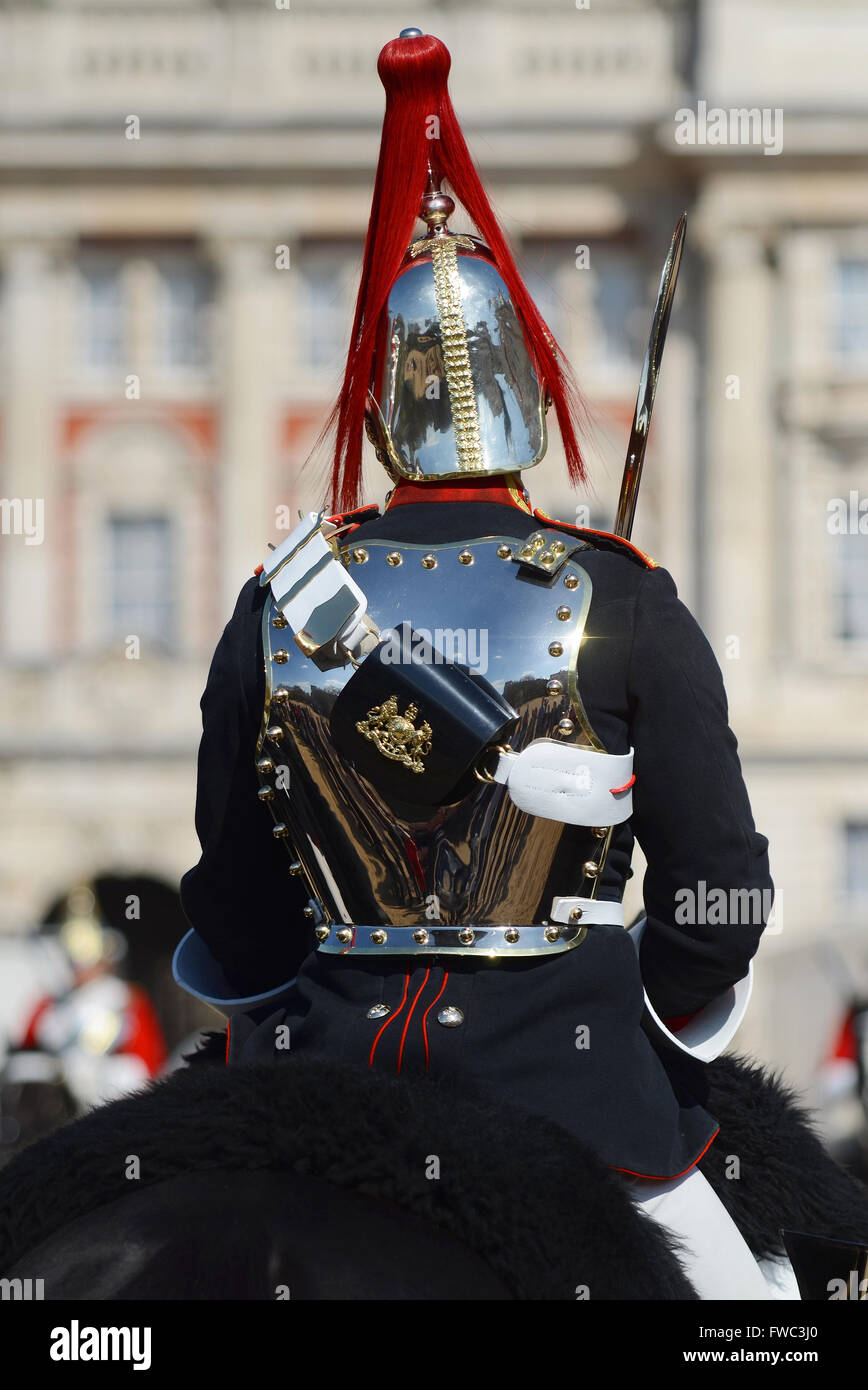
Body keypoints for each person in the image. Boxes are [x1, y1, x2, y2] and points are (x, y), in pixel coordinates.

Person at [174, 29, 781, 1299]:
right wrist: (648, 1017)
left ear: (382, 407)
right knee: (767, 1312)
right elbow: (719, 880)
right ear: (523, 388)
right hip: (577, 1092)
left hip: (312, 1073)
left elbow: (233, 899)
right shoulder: (614, 589)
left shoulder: (280, 601)